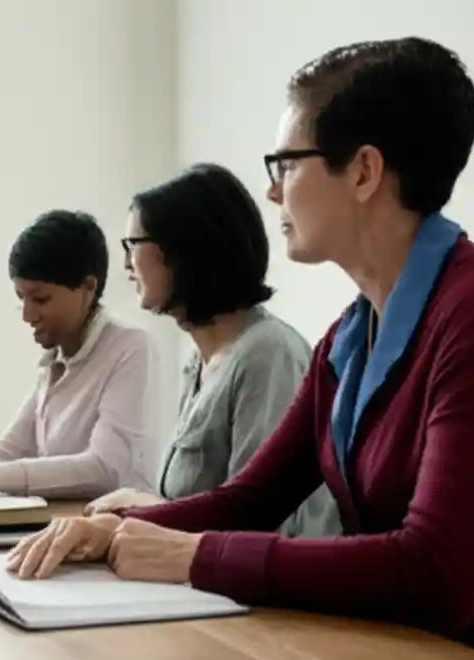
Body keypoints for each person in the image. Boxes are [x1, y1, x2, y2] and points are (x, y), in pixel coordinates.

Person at [11, 37, 474, 649]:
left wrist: (193, 555)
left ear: (365, 172)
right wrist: (115, 529)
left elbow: (437, 572)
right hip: (407, 658)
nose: (272, 191)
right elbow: (249, 499)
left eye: (286, 165)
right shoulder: (348, 337)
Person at [83, 164, 340, 538]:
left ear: (182, 250)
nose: (126, 263)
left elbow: (256, 519)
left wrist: (147, 512)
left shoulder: (268, 354)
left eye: (133, 245)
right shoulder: (200, 361)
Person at [0, 210, 154, 501]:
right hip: (60, 525)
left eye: (40, 299)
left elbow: (105, 468)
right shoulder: (55, 361)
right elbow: (7, 453)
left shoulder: (131, 348)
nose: (27, 315)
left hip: (115, 532)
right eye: (20, 298)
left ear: (89, 288)